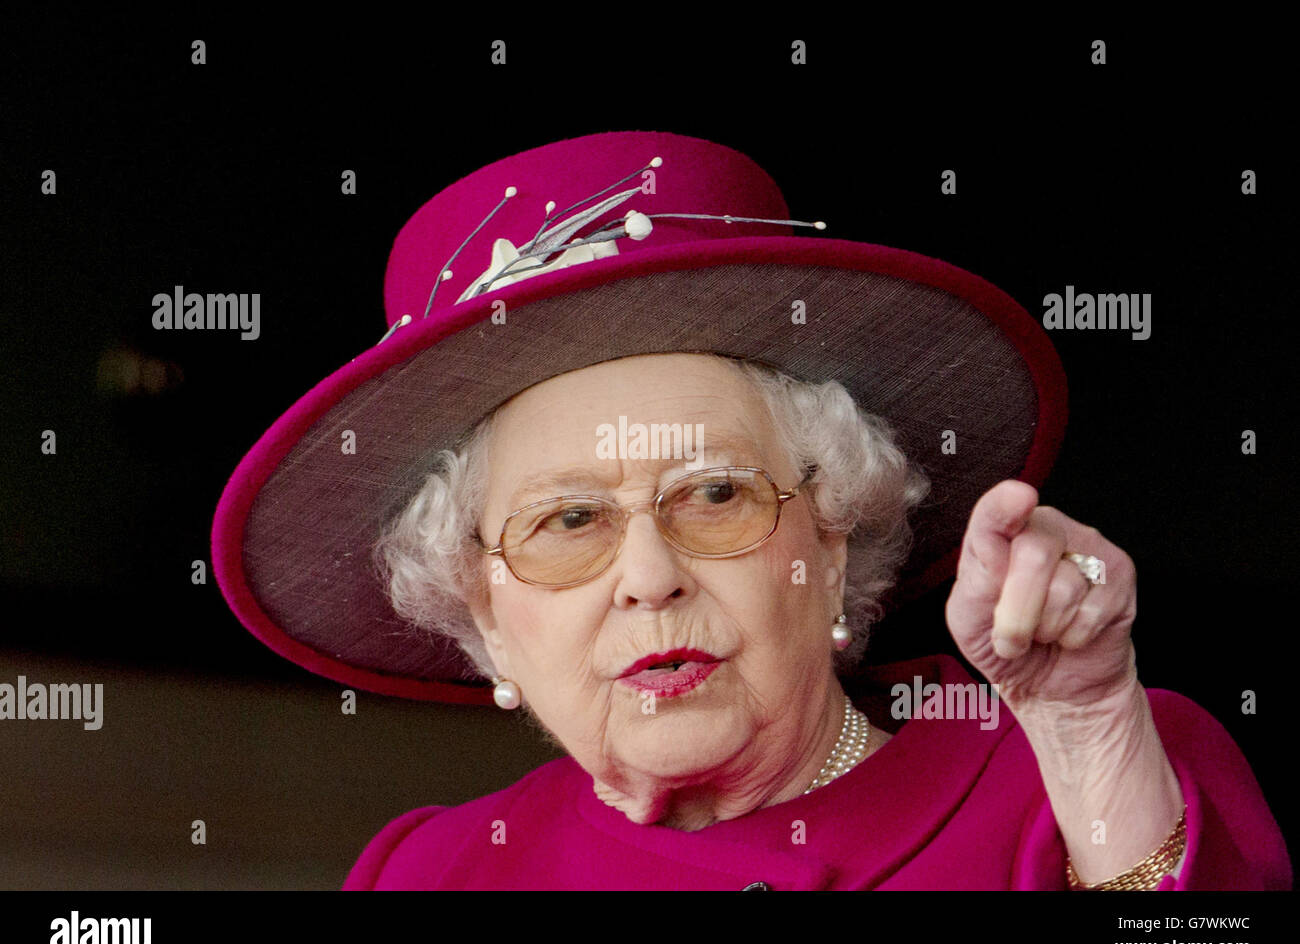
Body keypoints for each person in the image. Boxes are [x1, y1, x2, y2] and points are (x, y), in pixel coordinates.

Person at [212, 130, 1291, 890]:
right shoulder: (434, 876)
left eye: (715, 495)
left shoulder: (1078, 772)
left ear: (833, 538)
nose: (647, 576)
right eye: (567, 524)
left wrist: (1093, 737)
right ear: (485, 616)